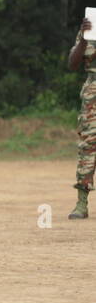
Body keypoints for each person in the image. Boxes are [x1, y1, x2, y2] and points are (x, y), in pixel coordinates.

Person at [66, 17, 95, 219]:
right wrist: (84, 40)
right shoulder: (91, 26)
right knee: (88, 146)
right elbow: (73, 64)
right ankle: (81, 203)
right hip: (93, 95)